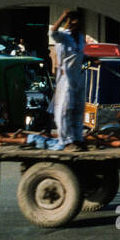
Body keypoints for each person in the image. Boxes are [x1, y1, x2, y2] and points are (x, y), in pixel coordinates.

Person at [49, 9, 86, 150]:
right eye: (72, 22)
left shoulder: (81, 38)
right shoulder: (63, 36)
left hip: (78, 75)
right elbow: (52, 32)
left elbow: (78, 56)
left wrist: (91, 59)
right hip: (66, 77)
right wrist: (63, 16)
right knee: (65, 108)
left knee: (78, 108)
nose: (74, 25)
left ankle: (77, 138)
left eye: (77, 22)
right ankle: (66, 140)